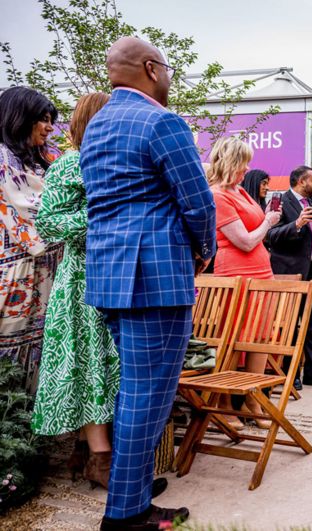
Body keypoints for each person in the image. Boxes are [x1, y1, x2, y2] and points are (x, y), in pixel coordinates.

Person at [80, 37, 216, 529]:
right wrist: (204, 251)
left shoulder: (96, 127)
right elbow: (199, 203)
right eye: (170, 69)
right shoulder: (162, 122)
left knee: (134, 392)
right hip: (155, 278)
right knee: (148, 396)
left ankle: (131, 495)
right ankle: (124, 515)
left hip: (111, 278)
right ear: (152, 68)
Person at [31, 93, 121, 491]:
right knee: (89, 363)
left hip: (113, 275)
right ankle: (101, 461)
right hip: (83, 277)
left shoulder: (111, 163)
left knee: (102, 363)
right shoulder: (71, 163)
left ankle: (86, 452)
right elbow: (49, 225)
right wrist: (103, 215)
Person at [208, 137, 281, 428]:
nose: (247, 168)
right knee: (234, 337)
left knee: (259, 337)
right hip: (236, 273)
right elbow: (246, 241)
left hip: (261, 271)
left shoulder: (240, 192)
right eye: (243, 162)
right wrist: (269, 223)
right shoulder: (217, 195)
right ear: (230, 163)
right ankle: (223, 402)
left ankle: (253, 396)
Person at [0, 86, 62, 392]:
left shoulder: (39, 160)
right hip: (17, 274)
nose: (50, 127)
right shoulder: (3, 161)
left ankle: (33, 435)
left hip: (45, 273)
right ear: (20, 118)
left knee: (40, 352)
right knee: (12, 360)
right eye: (44, 119)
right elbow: (36, 213)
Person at [267, 165, 312, 390]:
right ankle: (290, 373)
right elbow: (270, 236)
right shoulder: (279, 201)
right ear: (300, 181)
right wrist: (297, 224)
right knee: (290, 324)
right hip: (290, 273)